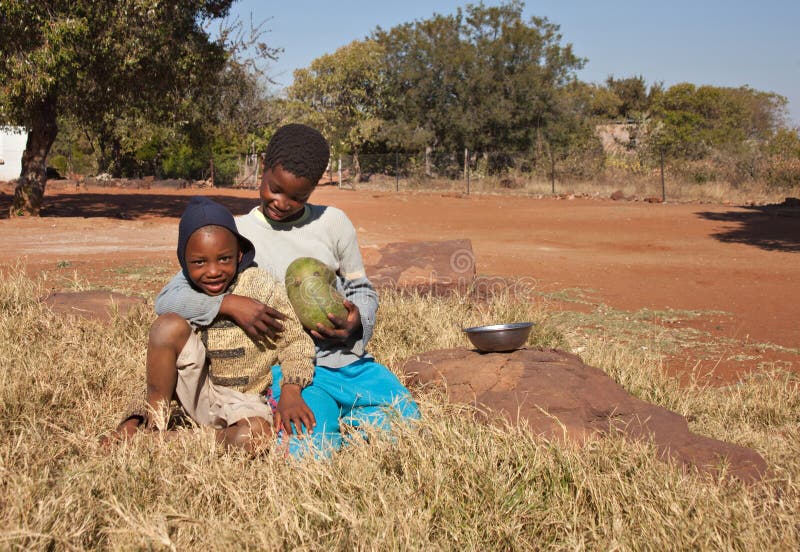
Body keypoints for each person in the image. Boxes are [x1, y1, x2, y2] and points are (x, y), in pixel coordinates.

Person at [155, 123, 419, 456]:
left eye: (299, 197)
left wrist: (356, 323)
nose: (283, 203)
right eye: (275, 189)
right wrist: (229, 303)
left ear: (313, 189)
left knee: (410, 422)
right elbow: (168, 297)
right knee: (311, 449)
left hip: (346, 360)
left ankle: (347, 418)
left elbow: (361, 288)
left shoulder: (334, 223)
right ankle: (331, 421)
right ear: (263, 167)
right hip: (288, 369)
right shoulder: (236, 234)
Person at [104, 196, 317, 454]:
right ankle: (152, 423)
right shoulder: (185, 291)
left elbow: (296, 341)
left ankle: (167, 443)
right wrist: (133, 417)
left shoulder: (261, 287)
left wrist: (291, 390)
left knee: (257, 436)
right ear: (184, 261)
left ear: (239, 254)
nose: (213, 271)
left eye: (224, 259)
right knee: (166, 326)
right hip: (198, 390)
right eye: (199, 262)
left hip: (246, 401)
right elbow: (163, 372)